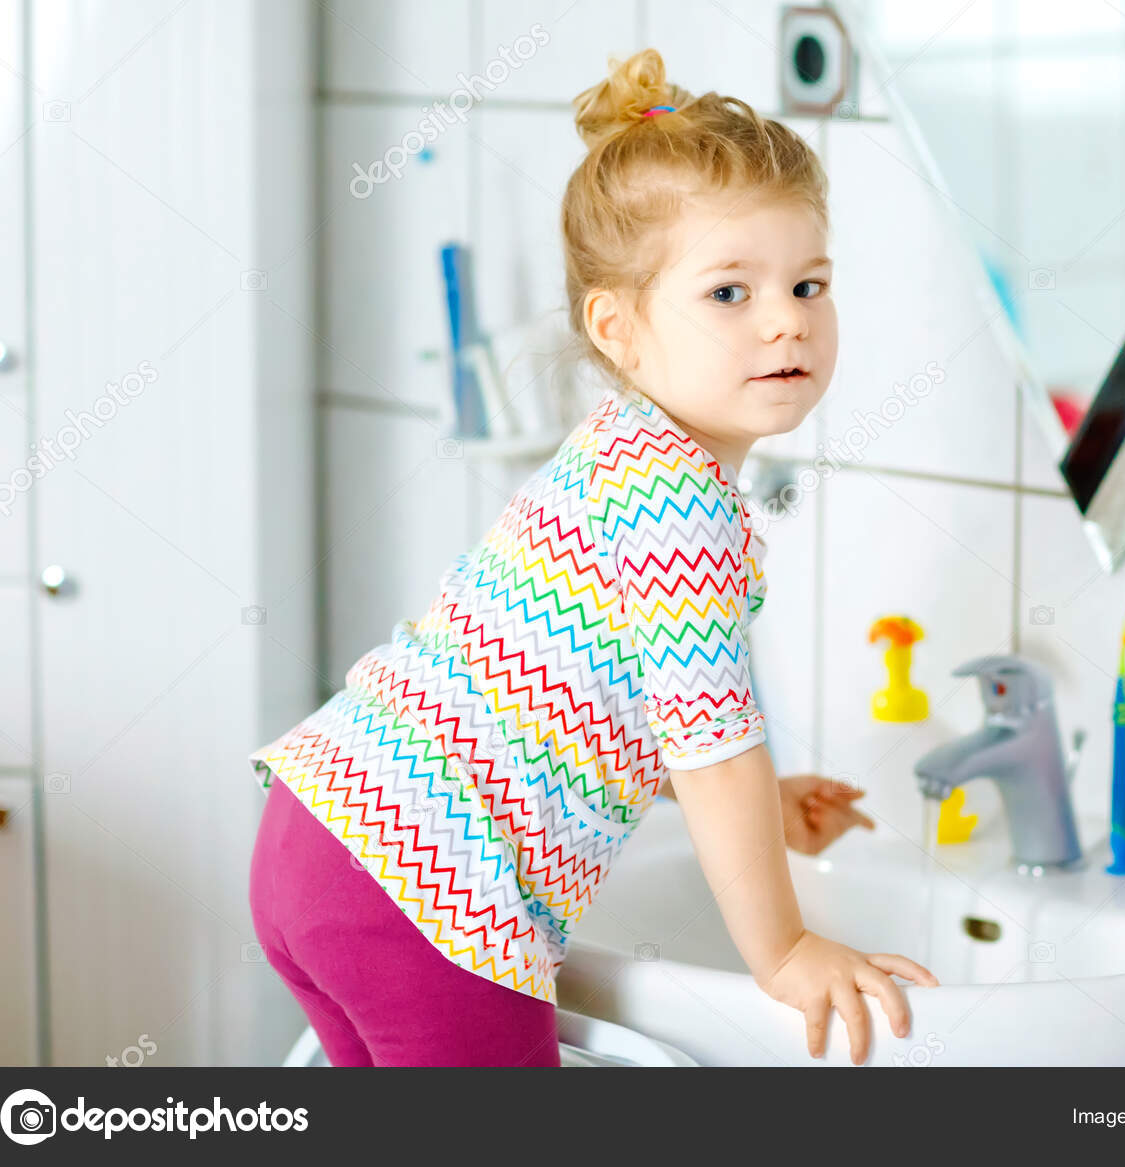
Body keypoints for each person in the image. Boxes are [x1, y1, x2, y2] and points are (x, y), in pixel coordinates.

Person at [246, 46, 938, 1069]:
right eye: (729, 293)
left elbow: (572, 709)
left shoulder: (619, 454)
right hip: (426, 886)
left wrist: (762, 804)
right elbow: (712, 745)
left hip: (323, 834)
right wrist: (785, 949)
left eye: (807, 283)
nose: (786, 318)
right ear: (617, 327)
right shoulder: (681, 505)